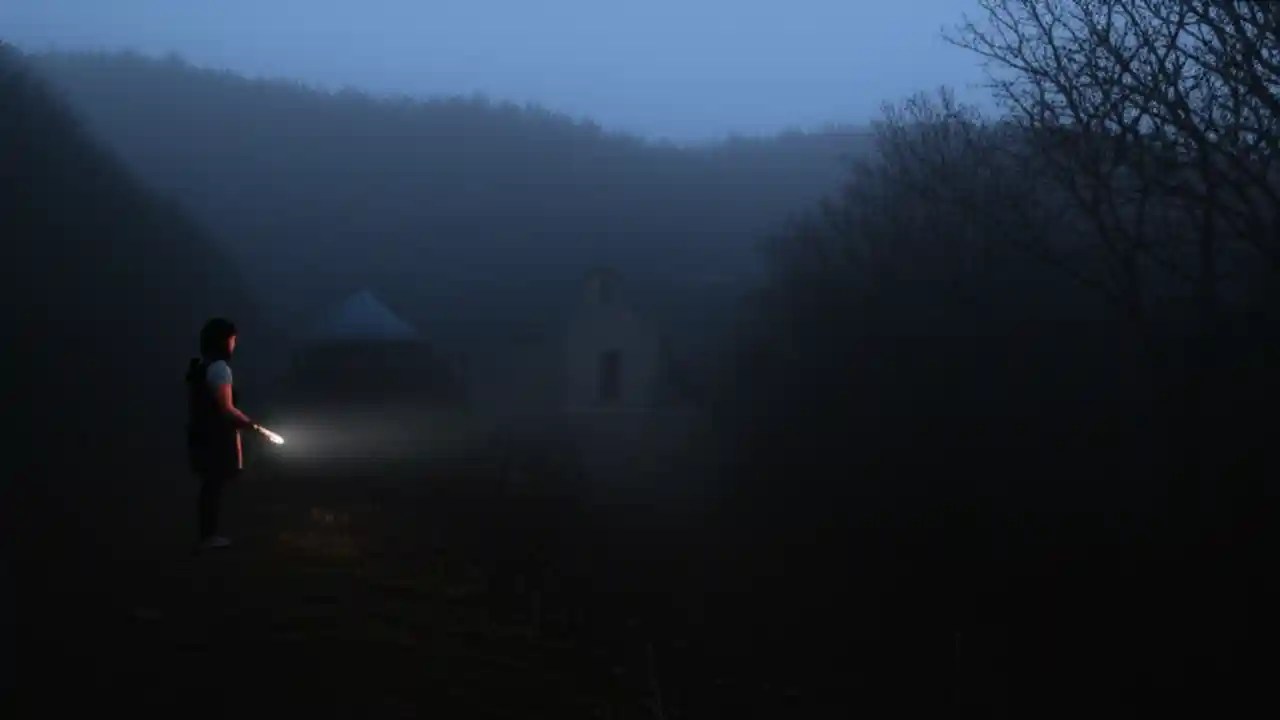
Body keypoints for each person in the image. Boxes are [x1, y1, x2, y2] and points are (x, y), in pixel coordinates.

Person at [186, 317, 258, 551]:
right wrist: (254, 427)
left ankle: (209, 533)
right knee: (215, 484)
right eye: (232, 339)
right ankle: (210, 536)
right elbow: (226, 409)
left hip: (201, 433)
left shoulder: (200, 367)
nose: (234, 344)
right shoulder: (220, 370)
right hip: (217, 437)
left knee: (211, 484)